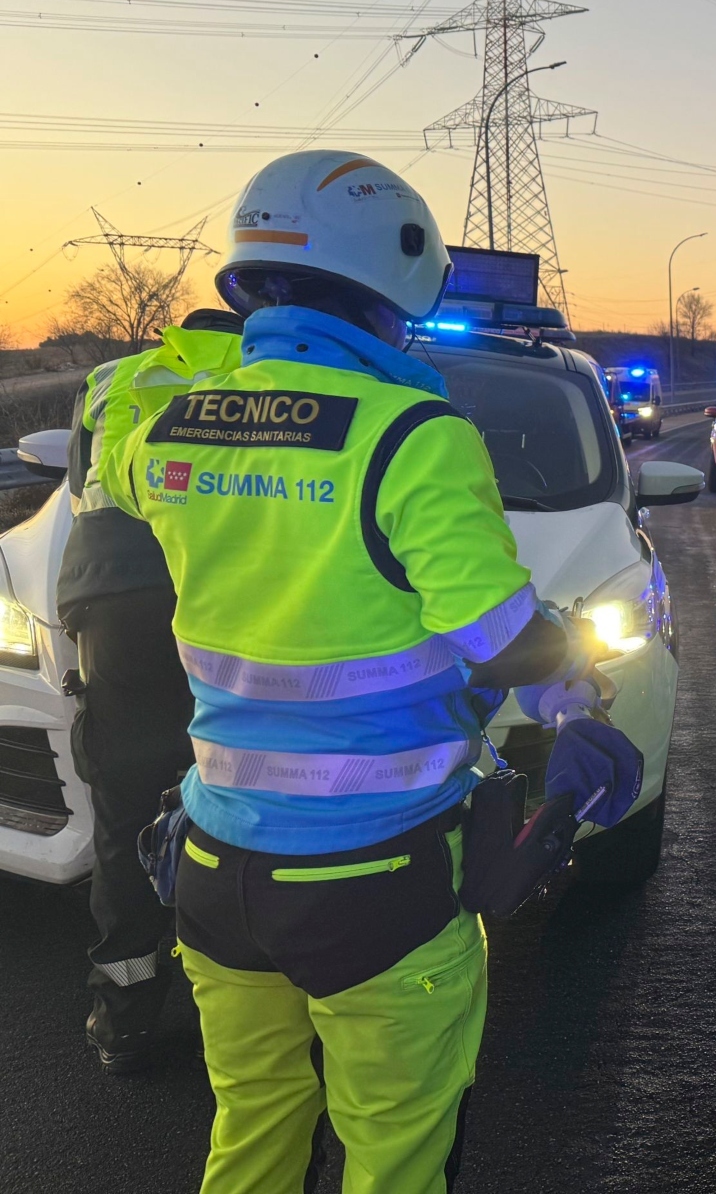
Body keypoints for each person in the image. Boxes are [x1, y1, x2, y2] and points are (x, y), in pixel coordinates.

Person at [104, 150, 612, 1194]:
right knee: (394, 1154)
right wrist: (568, 650)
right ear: (393, 286)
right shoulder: (414, 437)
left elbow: (107, 429)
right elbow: (502, 640)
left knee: (250, 1129)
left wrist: (193, 364)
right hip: (376, 881)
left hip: (210, 868)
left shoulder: (169, 427)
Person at [58, 307, 244, 1072]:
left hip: (113, 596)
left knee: (125, 807)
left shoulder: (114, 378)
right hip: (226, 589)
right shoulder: (266, 380)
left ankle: (124, 1018)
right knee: (249, 791)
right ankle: (243, 1012)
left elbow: (81, 489)